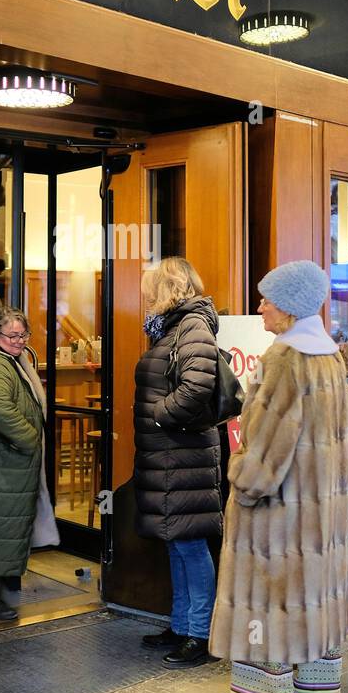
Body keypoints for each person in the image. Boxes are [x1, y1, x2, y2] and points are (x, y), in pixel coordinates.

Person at [210, 260, 348, 693]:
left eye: (267, 301)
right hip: (324, 511)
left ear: (290, 308)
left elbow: (270, 449)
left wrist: (241, 478)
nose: (260, 308)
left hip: (280, 515)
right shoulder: (329, 355)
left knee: (271, 599)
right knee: (314, 593)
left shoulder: (284, 359)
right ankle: (319, 686)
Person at [134, 257, 223, 667]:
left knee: (189, 544)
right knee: (177, 542)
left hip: (182, 454)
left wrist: (158, 414)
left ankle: (200, 635)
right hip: (169, 455)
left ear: (166, 288)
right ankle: (183, 625)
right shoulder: (173, 327)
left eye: (150, 287)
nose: (145, 295)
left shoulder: (192, 325)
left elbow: (198, 385)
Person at [0, 307, 58, 621]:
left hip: (3, 464)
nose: (19, 341)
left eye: (23, 335)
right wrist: (30, 438)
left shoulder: (8, 360)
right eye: (12, 335)